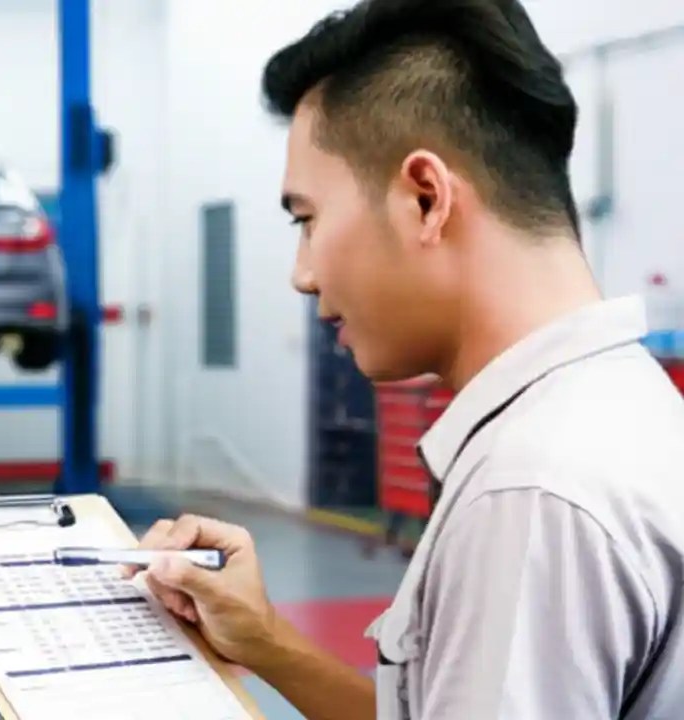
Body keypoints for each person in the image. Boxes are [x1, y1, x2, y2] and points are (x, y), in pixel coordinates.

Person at [135, 0, 684, 718]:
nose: (302, 274)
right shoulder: (620, 406)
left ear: (425, 197)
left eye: (306, 220)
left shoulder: (529, 491)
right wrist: (266, 641)